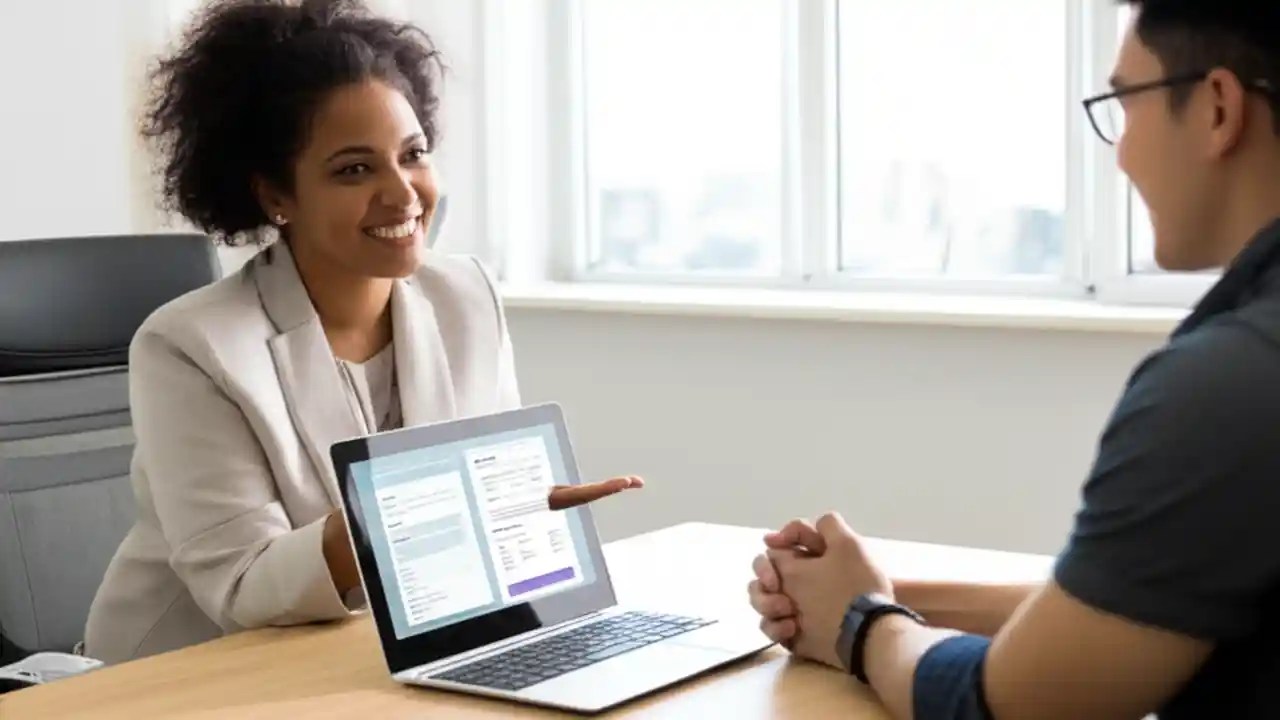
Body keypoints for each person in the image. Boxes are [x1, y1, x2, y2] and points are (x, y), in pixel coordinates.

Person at [749, 1, 1280, 718]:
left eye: (1124, 104)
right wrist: (869, 592)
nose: (1119, 154)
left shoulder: (1228, 387)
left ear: (1218, 107)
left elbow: (1002, 705)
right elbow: (1123, 605)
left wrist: (862, 625)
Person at [85, 0, 641, 665]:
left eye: (413, 155)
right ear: (275, 196)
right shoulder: (191, 346)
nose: (403, 194)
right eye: (354, 169)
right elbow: (243, 585)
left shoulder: (464, 295)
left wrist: (523, 512)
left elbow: (485, 524)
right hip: (187, 672)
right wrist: (423, 510)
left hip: (374, 654)